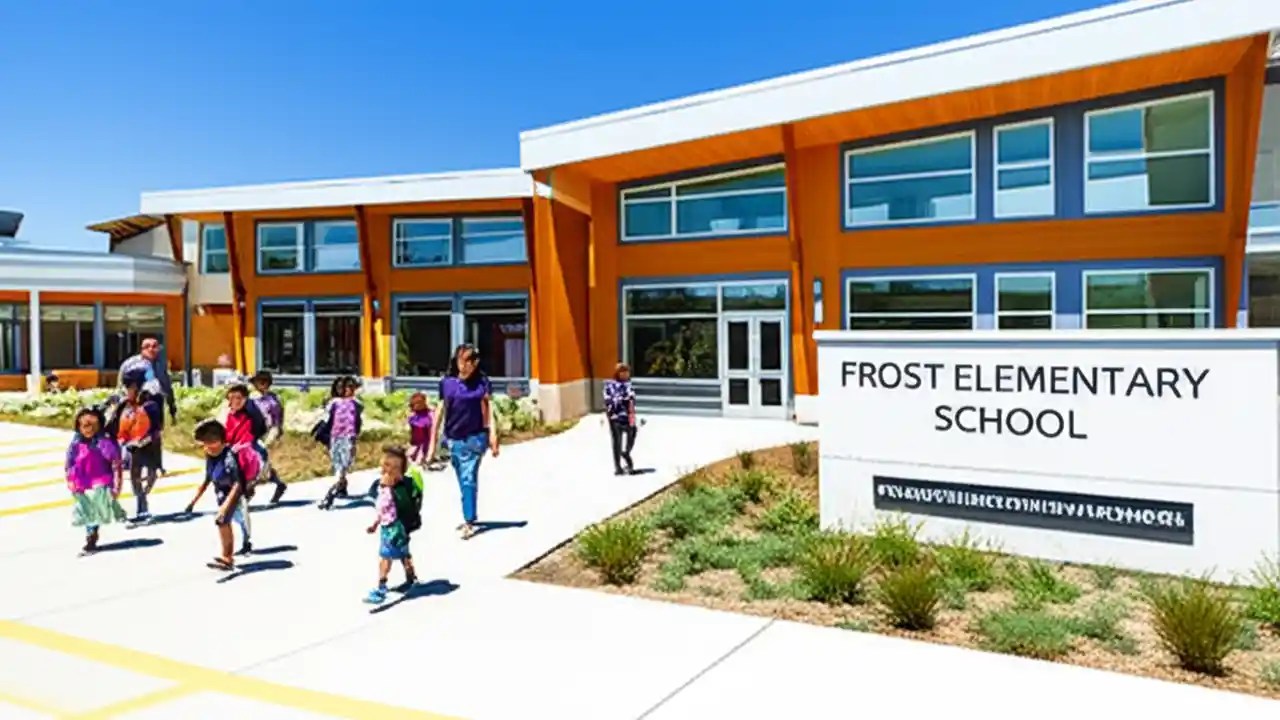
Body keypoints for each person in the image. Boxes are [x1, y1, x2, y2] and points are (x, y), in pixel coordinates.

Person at [427, 344, 499, 540]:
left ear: (476, 363)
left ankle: (469, 520)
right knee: (462, 478)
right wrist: (432, 446)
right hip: (453, 439)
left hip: (476, 438)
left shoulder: (482, 383)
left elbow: (489, 409)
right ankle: (469, 512)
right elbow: (439, 413)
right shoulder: (447, 383)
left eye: (469, 361)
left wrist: (493, 435)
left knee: (468, 478)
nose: (465, 365)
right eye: (461, 360)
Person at [187, 419, 249, 571]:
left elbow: (238, 484)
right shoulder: (210, 456)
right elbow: (208, 479)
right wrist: (193, 501)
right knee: (224, 523)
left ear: (220, 440)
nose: (208, 447)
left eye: (211, 443)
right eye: (205, 444)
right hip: (221, 494)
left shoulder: (229, 457)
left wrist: (225, 507)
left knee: (222, 521)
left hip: (233, 493)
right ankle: (227, 557)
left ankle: (227, 558)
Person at [364, 446, 422, 604]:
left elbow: (404, 509)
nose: (382, 475)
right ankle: (400, 580)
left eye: (385, 471)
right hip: (386, 527)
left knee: (394, 555)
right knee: (395, 555)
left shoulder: (400, 490)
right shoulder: (384, 489)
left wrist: (405, 527)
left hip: (397, 528)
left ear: (395, 472)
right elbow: (382, 509)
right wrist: (376, 524)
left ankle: (392, 583)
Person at [66, 407, 127, 555]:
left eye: (92, 426)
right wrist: (69, 479)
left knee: (96, 510)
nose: (88, 429)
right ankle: (91, 533)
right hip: (81, 484)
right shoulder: (75, 445)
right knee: (86, 511)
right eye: (84, 426)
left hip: (100, 483)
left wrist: (117, 485)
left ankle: (91, 536)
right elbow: (69, 463)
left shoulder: (103, 443)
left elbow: (115, 463)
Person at [117, 337, 177, 473]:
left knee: (155, 435)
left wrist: (172, 406)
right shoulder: (130, 364)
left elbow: (166, 385)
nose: (151, 349)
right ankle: (129, 463)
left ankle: (157, 465)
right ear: (141, 349)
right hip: (136, 403)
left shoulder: (161, 365)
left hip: (156, 402)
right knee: (134, 433)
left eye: (154, 346)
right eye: (147, 346)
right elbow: (121, 385)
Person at [116, 374, 163, 524]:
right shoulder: (125, 405)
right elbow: (118, 424)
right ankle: (141, 504)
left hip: (149, 444)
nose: (130, 391)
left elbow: (157, 427)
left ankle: (144, 498)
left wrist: (146, 440)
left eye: (132, 388)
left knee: (151, 473)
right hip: (133, 445)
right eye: (128, 388)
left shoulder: (151, 405)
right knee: (135, 475)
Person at [318, 376, 363, 511]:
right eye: (346, 387)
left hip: (349, 437)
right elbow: (326, 419)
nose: (349, 390)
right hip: (335, 437)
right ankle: (339, 487)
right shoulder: (334, 403)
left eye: (351, 387)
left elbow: (358, 420)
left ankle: (332, 492)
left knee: (343, 467)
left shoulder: (356, 403)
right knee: (338, 467)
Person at [250, 371, 288, 504]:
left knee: (261, 457)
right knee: (259, 458)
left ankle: (251, 487)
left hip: (270, 430)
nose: (262, 384)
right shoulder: (251, 398)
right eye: (259, 381)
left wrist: (279, 428)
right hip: (255, 431)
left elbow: (279, 414)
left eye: (265, 381)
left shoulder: (273, 398)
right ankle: (278, 483)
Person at [603, 362, 639, 475]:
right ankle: (618, 467)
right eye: (622, 372)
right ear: (617, 373)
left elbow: (631, 400)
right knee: (616, 441)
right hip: (615, 416)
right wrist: (612, 411)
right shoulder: (610, 385)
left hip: (628, 415)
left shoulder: (629, 385)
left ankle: (626, 453)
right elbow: (608, 399)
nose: (625, 374)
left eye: (626, 372)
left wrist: (631, 416)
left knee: (632, 433)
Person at [407, 392, 435, 469]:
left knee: (419, 461)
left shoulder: (429, 414)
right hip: (415, 442)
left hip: (425, 442)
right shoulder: (413, 415)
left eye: (419, 403)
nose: (417, 405)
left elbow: (432, 430)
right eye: (415, 404)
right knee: (409, 457)